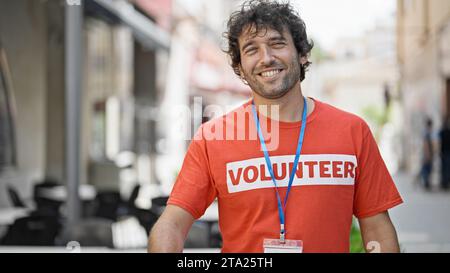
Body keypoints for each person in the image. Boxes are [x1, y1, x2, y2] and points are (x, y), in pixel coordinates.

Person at [148, 0, 403, 253]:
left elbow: (377, 230)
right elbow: (171, 224)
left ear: (302, 54)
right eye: (251, 50)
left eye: (277, 44)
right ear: (240, 68)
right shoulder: (213, 138)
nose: (266, 58)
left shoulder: (352, 131)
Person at [420, 117, 434, 190]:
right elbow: (426, 144)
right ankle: (426, 183)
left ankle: (425, 182)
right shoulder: (427, 133)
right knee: (426, 169)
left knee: (425, 169)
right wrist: (428, 154)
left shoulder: (425, 132)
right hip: (426, 154)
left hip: (425, 154)